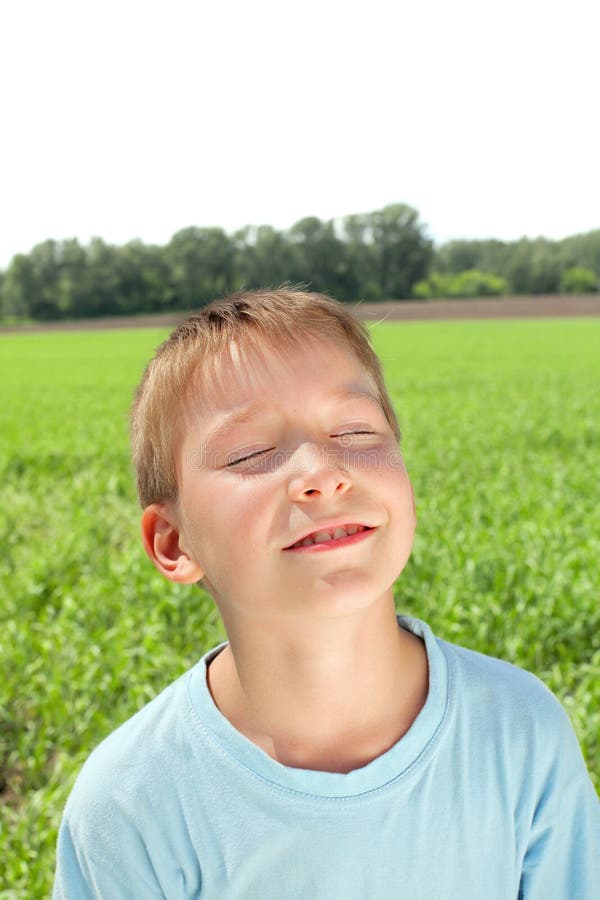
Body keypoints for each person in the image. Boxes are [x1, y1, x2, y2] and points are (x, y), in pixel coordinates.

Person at [53, 288, 599, 898]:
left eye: (356, 430)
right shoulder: (131, 803)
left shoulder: (520, 732)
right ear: (175, 542)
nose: (322, 471)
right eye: (251, 452)